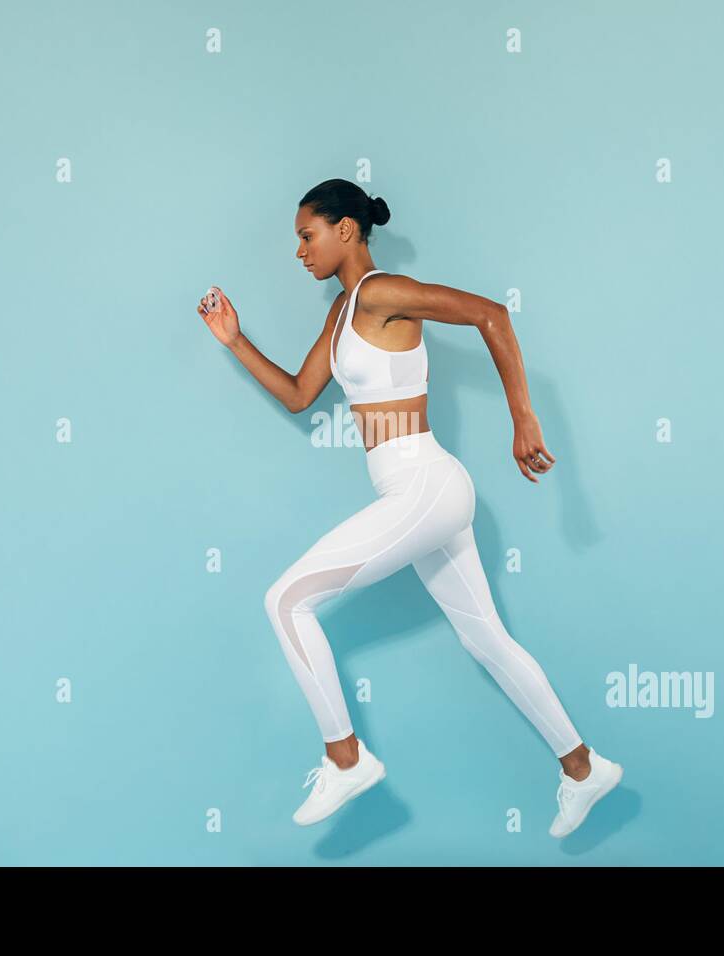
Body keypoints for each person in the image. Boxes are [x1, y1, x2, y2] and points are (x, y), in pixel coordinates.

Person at [197, 178, 622, 837]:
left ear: (346, 230)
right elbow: (300, 395)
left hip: (424, 481)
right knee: (488, 640)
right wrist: (234, 339)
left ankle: (346, 758)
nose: (300, 251)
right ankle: (583, 768)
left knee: (285, 601)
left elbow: (492, 315)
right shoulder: (341, 314)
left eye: (307, 236)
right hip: (415, 492)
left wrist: (523, 419)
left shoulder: (381, 292)